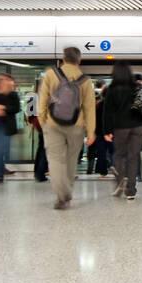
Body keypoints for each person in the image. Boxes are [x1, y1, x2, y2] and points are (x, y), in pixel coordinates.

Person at [37, 46, 95, 209]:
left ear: (63, 59)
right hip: (76, 125)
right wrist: (91, 132)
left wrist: (43, 121)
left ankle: (62, 195)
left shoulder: (50, 74)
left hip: (53, 124)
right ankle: (67, 194)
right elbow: (89, 108)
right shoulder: (85, 79)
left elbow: (42, 100)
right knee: (71, 161)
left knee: (55, 160)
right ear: (79, 61)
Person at [101, 61, 142, 201]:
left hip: (120, 128)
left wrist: (106, 131)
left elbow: (107, 112)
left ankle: (120, 180)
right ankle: (130, 191)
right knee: (133, 158)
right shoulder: (136, 87)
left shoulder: (111, 89)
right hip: (137, 127)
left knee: (119, 155)